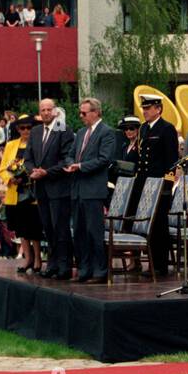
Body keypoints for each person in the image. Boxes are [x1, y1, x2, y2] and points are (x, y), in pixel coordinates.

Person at [65, 98, 118, 283]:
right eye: (80, 112)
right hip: (78, 189)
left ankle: (99, 271)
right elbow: (70, 154)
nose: (81, 116)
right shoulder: (80, 133)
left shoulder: (107, 132)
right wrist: (71, 164)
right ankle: (84, 269)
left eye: (84, 113)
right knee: (79, 232)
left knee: (94, 232)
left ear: (96, 112)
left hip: (94, 190)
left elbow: (105, 159)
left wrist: (80, 166)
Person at [24, 98, 75, 279]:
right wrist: (33, 171)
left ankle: (64, 266)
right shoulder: (36, 131)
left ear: (54, 111)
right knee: (48, 228)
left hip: (58, 186)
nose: (46, 112)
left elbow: (66, 159)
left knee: (60, 227)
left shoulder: (63, 129)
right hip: (41, 188)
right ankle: (52, 264)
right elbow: (27, 157)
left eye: (49, 109)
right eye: (42, 110)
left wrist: (46, 172)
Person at [134, 94, 179, 277]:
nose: (145, 112)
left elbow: (171, 161)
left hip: (160, 184)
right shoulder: (144, 128)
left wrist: (167, 186)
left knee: (160, 225)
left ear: (158, 109)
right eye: (143, 109)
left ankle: (161, 265)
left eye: (148, 108)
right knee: (150, 225)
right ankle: (152, 263)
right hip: (145, 184)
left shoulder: (166, 129)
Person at [0, 115, 43, 274]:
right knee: (21, 229)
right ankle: (27, 259)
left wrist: (27, 175)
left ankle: (38, 259)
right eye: (22, 128)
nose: (25, 131)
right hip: (15, 193)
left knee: (34, 228)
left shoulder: (39, 144)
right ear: (17, 129)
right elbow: (3, 168)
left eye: (29, 127)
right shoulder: (11, 145)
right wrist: (12, 178)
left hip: (33, 192)